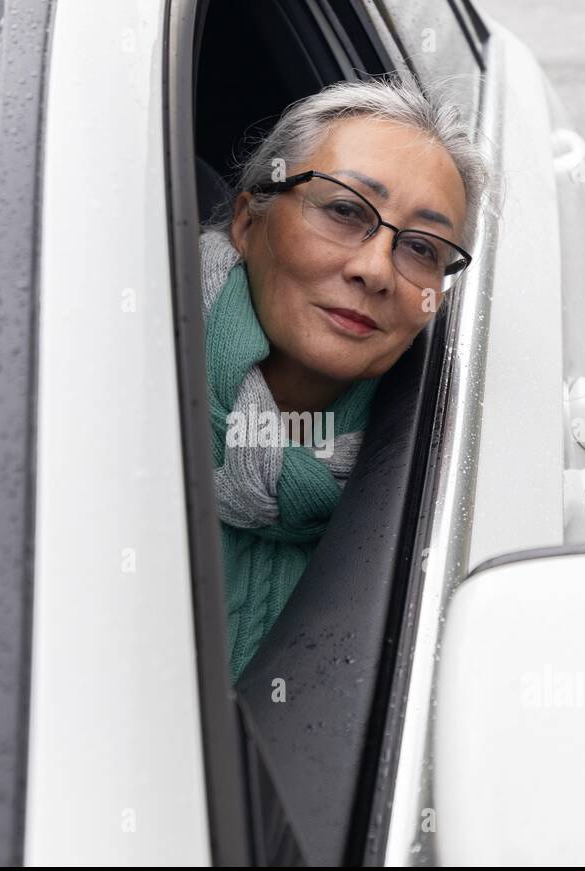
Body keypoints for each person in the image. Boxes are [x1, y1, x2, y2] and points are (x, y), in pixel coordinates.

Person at [200, 74, 490, 683]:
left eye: (423, 248)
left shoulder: (441, 452)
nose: (375, 269)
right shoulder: (108, 383)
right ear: (249, 222)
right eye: (342, 210)